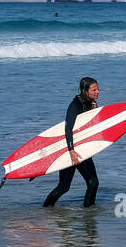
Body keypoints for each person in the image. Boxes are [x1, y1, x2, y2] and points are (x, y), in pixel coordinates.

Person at [43, 77, 101, 207]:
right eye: (94, 90)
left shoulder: (91, 104)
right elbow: (68, 129)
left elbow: (92, 128)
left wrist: (96, 111)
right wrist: (71, 151)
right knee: (64, 187)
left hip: (82, 148)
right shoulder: (75, 104)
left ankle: (88, 210)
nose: (97, 92)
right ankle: (46, 208)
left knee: (92, 182)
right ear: (84, 90)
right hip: (71, 150)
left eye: (97, 89)